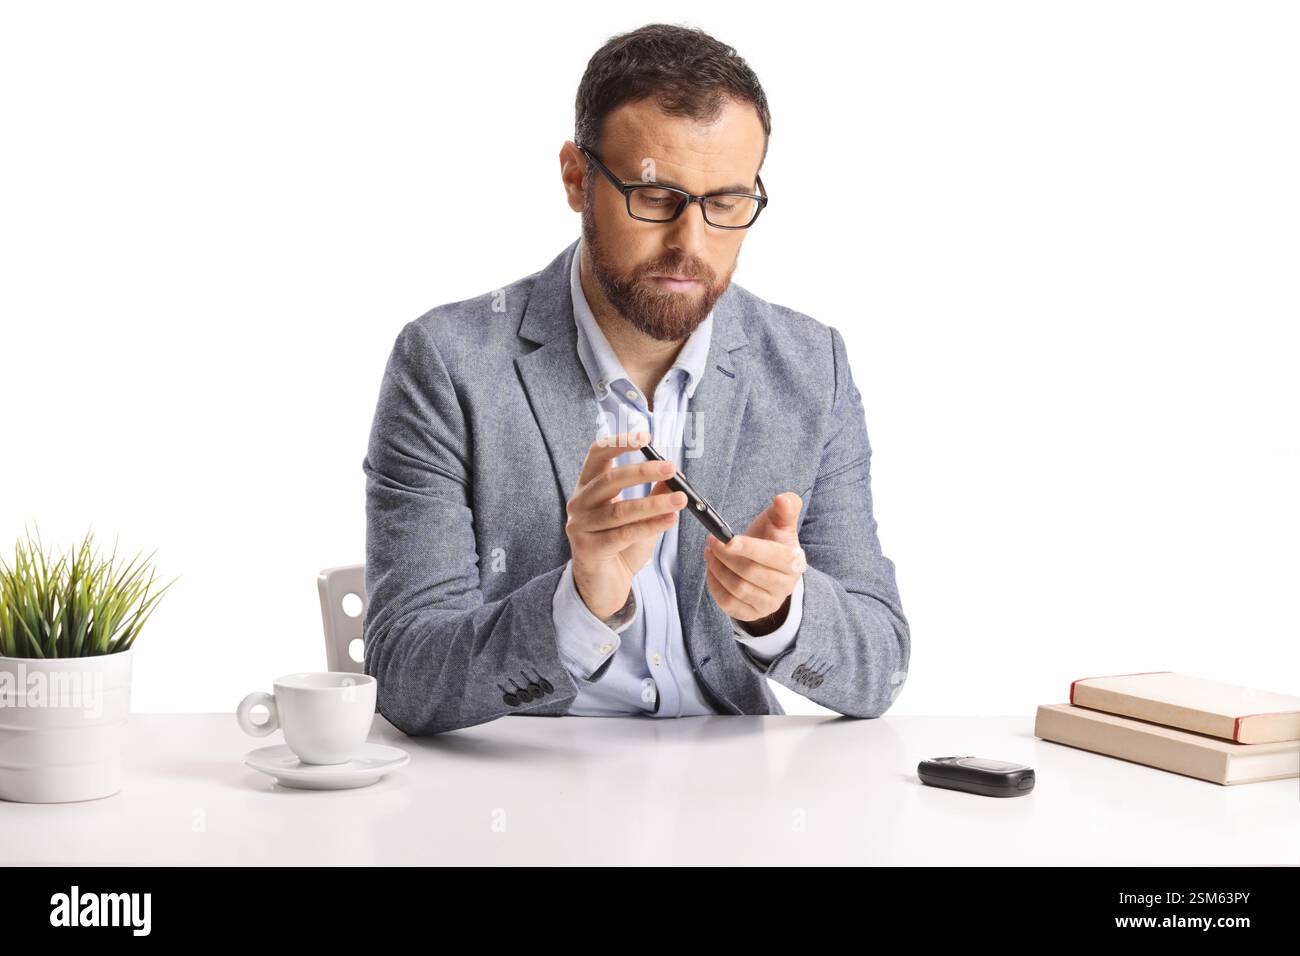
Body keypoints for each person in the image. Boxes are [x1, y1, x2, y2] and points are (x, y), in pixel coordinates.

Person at [362, 23, 909, 735]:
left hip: (734, 802)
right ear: (576, 177)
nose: (692, 244)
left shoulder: (812, 367)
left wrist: (781, 611)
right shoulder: (447, 363)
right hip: (521, 796)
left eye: (727, 203)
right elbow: (404, 675)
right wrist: (579, 601)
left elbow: (882, 666)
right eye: (655, 198)